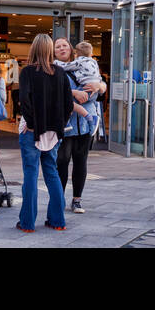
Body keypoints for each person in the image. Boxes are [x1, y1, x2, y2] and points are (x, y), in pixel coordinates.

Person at [17, 33, 74, 232]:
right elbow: (69, 104)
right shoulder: (60, 73)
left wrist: (32, 124)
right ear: (50, 50)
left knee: (31, 174)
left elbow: (24, 101)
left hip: (32, 132)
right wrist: (59, 125)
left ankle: (27, 223)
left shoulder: (27, 72)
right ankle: (58, 221)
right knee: (52, 173)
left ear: (33, 48)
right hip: (54, 132)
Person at [53, 37, 107, 215]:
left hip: (85, 123)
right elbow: (51, 93)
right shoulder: (53, 69)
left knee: (80, 160)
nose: (61, 49)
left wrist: (100, 85)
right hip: (65, 122)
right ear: (53, 51)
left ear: (71, 49)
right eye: (57, 46)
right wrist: (73, 92)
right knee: (62, 160)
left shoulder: (85, 64)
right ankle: (58, 198)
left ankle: (77, 200)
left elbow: (101, 86)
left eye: (64, 45)